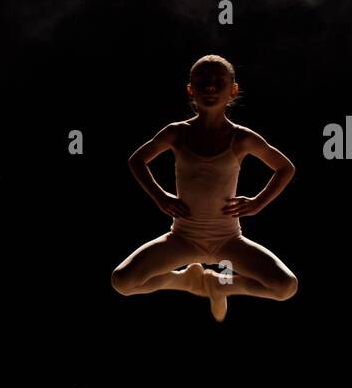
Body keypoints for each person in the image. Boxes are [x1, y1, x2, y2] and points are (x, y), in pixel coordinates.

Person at [111, 55, 298, 321]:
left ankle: (220, 284)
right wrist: (159, 195)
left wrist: (258, 202)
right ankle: (186, 281)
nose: (210, 87)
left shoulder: (241, 138)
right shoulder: (177, 133)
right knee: (123, 281)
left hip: (228, 240)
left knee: (285, 286)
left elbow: (285, 167)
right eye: (202, 81)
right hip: (182, 238)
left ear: (233, 90)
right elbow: (137, 160)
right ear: (191, 89)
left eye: (218, 82)